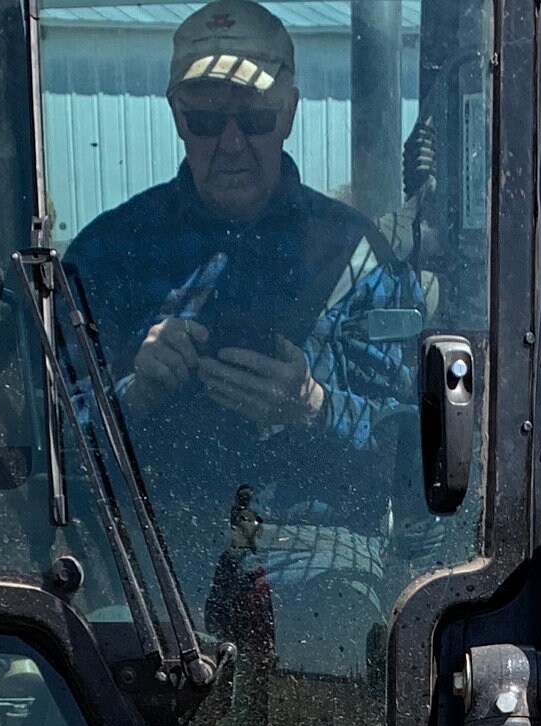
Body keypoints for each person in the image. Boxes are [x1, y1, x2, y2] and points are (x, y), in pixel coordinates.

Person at [61, 0, 423, 566]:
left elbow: (417, 449)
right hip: (153, 572)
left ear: (289, 113)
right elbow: (46, 445)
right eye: (206, 120)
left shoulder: (357, 259)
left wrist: (312, 406)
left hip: (329, 572)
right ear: (178, 117)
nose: (231, 144)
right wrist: (134, 394)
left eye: (253, 118)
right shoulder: (109, 256)